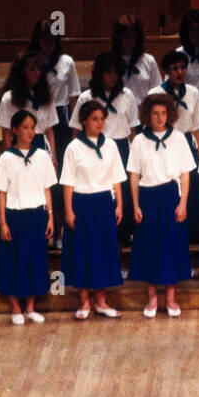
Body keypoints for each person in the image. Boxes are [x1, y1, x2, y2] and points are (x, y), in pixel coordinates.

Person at [127, 93, 196, 318]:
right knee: (149, 248)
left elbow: (186, 175)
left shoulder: (178, 138)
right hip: (148, 197)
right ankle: (152, 299)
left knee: (171, 247)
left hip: (170, 197)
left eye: (163, 113)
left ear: (169, 114)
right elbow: (134, 176)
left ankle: (171, 298)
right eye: (155, 113)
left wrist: (183, 203)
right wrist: (136, 205)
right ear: (147, 115)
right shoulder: (138, 141)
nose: (159, 118)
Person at [60, 100, 126, 320]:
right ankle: (84, 302)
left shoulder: (111, 145)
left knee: (104, 252)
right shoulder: (73, 148)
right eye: (94, 119)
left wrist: (119, 205)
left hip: (104, 203)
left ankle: (101, 301)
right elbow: (68, 182)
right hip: (81, 202)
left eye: (102, 119)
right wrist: (68, 211)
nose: (99, 123)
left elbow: (117, 178)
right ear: (84, 121)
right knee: (82, 251)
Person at [0, 110, 55, 325]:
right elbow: (1, 192)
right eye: (25, 128)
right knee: (13, 261)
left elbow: (47, 189)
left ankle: (30, 307)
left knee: (35, 261)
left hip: (36, 214)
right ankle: (15, 307)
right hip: (14, 216)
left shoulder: (42, 156)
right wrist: (3, 222)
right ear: (15, 130)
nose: (30, 132)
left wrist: (50, 216)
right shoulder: (6, 158)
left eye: (32, 128)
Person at [70, 52, 140, 242]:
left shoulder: (128, 96)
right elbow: (76, 130)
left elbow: (133, 129)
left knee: (121, 194)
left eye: (116, 72)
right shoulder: (86, 97)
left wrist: (135, 157)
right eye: (108, 72)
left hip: (121, 149)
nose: (112, 76)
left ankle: (122, 236)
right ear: (99, 74)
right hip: (91, 149)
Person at [151, 49, 199, 248]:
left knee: (189, 190)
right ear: (166, 70)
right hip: (164, 146)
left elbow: (197, 125)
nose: (179, 72)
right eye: (174, 68)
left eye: (182, 67)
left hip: (187, 144)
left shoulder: (193, 92)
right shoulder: (155, 93)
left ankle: (192, 236)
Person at [29, 18, 79, 174]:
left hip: (61, 116)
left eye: (52, 39)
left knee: (61, 159)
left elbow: (73, 95)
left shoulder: (66, 61)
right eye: (44, 39)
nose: (48, 43)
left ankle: (59, 198)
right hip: (38, 114)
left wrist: (75, 128)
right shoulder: (30, 62)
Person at [0, 51, 58, 156]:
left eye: (39, 69)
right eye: (32, 69)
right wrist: (10, 155)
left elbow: (50, 131)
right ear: (22, 72)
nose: (37, 73)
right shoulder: (9, 98)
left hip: (42, 148)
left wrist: (54, 158)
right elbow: (6, 132)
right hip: (20, 147)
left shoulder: (46, 96)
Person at [112, 13, 162, 104]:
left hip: (143, 114)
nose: (130, 39)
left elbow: (157, 92)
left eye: (133, 35)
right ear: (118, 37)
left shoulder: (149, 61)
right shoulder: (110, 61)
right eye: (126, 35)